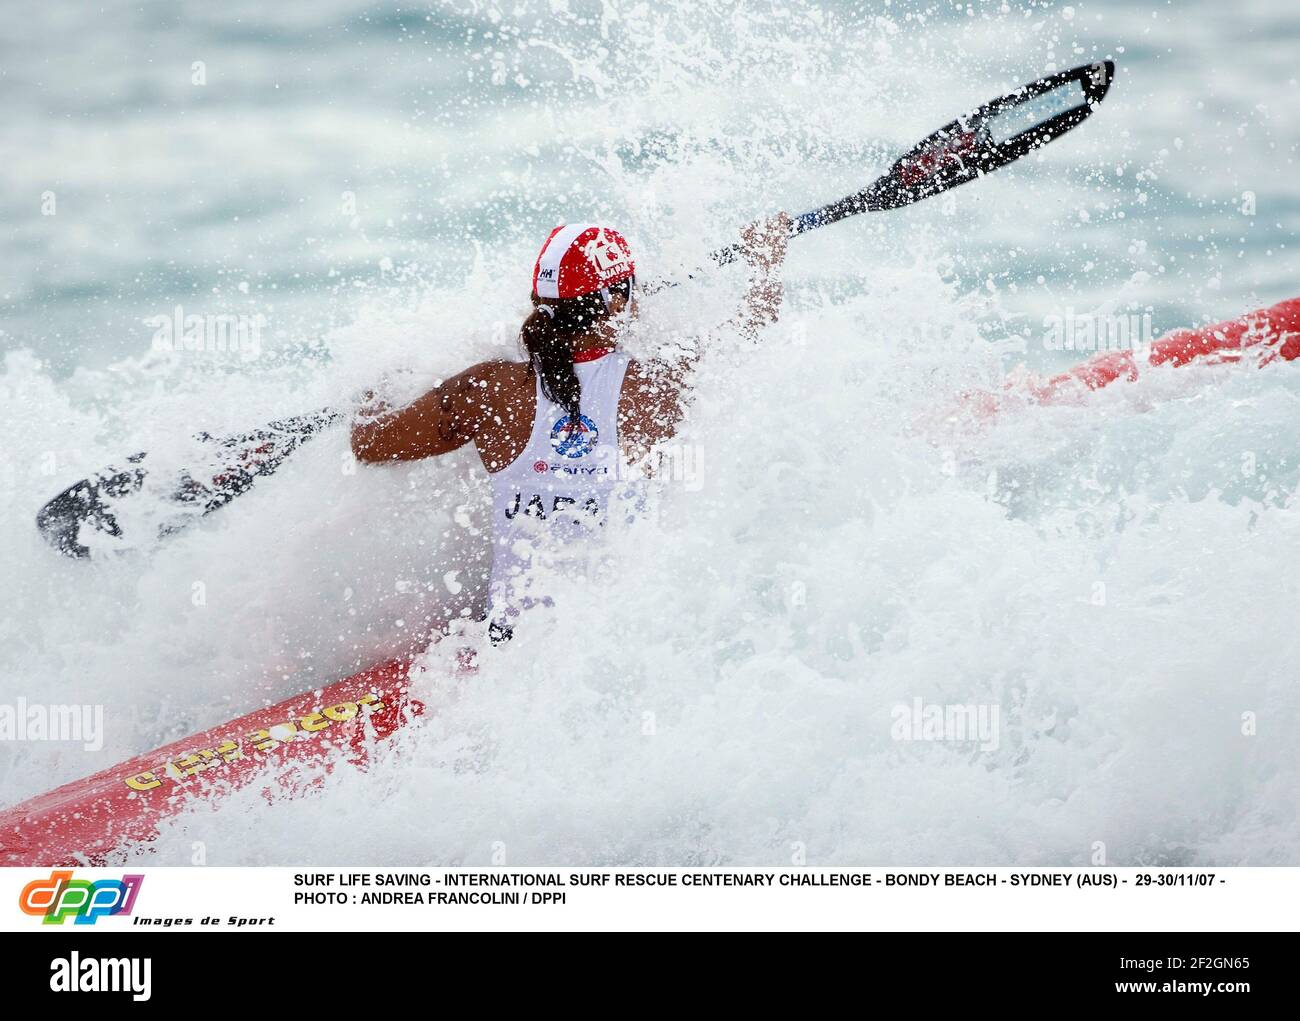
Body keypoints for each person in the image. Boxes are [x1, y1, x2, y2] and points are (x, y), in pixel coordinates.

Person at [351, 216, 791, 642]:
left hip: (509, 644)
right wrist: (767, 263)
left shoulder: (486, 389)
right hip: (618, 646)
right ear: (617, 302)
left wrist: (380, 386)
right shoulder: (659, 386)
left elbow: (369, 442)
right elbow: (755, 333)